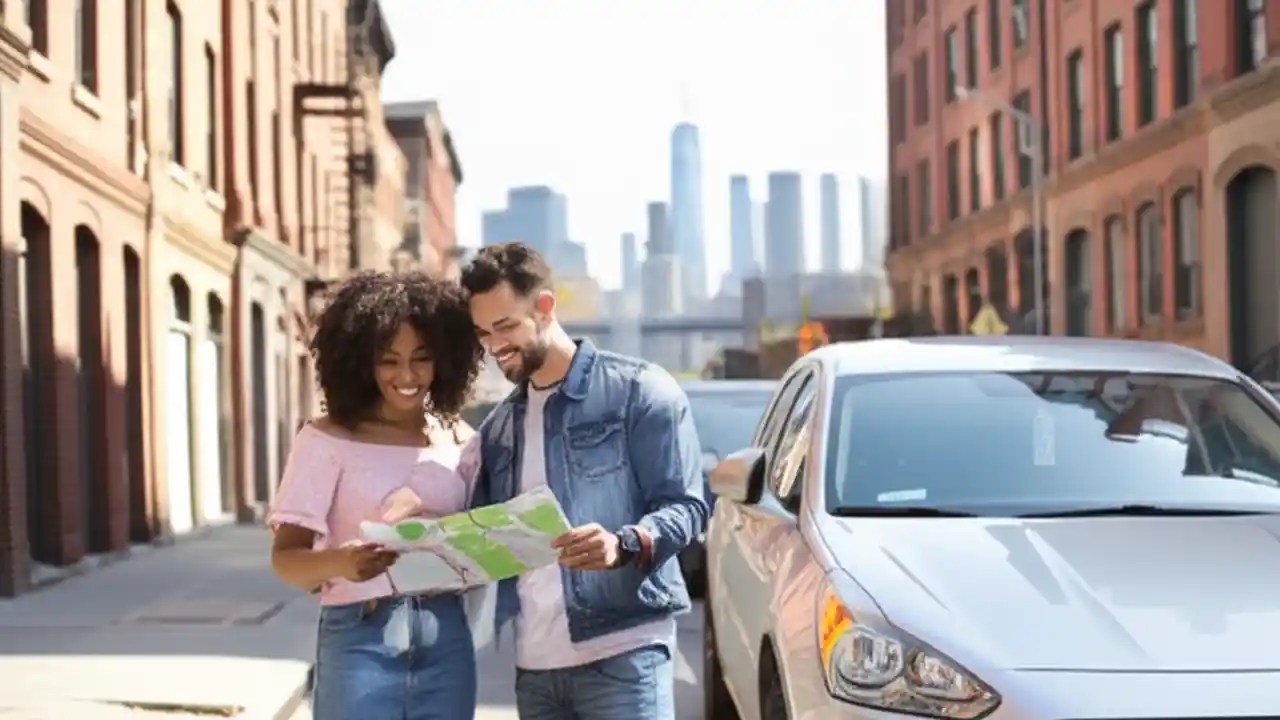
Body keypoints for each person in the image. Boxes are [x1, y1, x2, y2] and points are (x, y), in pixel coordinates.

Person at [460, 242, 708, 720]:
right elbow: (476, 536)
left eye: (505, 326)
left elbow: (689, 507)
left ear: (545, 307)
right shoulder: (499, 428)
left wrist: (625, 544)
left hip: (624, 657)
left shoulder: (638, 391)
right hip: (535, 671)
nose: (494, 346)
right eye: (482, 334)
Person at [267, 270, 484, 720]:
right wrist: (342, 563)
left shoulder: (461, 438)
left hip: (446, 637)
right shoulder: (326, 440)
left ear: (444, 359)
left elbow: (483, 539)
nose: (407, 375)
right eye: (389, 360)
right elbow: (286, 559)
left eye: (421, 358)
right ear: (362, 360)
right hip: (359, 637)